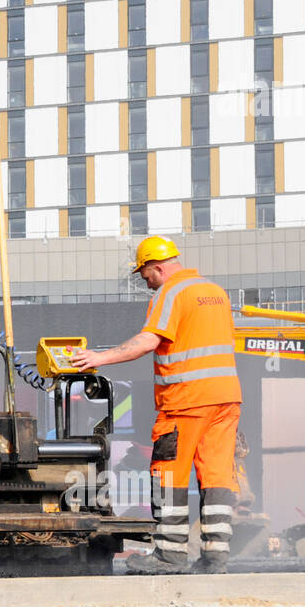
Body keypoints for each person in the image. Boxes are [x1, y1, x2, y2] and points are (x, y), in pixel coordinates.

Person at [71, 236, 242, 575]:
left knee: (168, 475)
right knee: (217, 476)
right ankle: (215, 558)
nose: (145, 281)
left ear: (158, 267)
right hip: (225, 400)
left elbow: (150, 339)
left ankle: (170, 555)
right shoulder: (215, 293)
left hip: (186, 402)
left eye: (145, 273)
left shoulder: (172, 293)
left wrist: (99, 357)